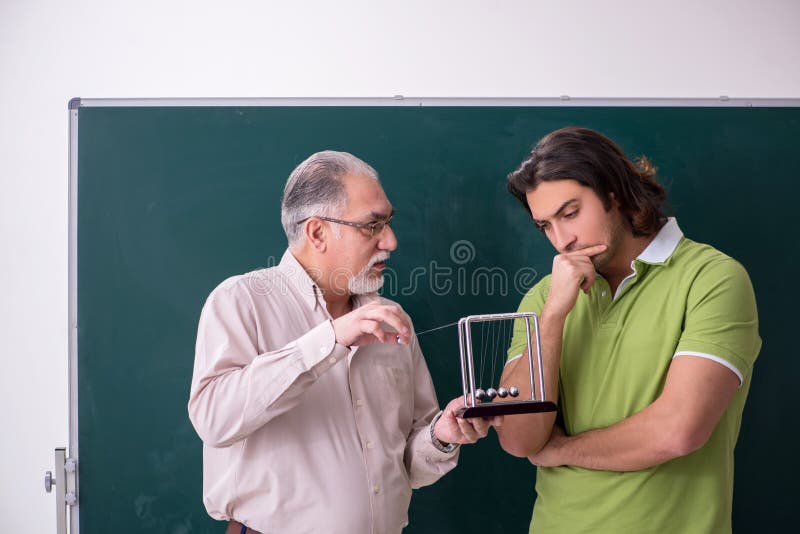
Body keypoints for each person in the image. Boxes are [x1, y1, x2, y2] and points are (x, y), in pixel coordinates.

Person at [188, 150, 500, 534]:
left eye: (389, 222)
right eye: (372, 226)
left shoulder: (390, 316)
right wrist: (330, 340)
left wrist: (441, 437)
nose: (392, 241)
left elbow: (404, 466)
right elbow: (215, 420)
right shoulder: (242, 300)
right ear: (317, 232)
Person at [496, 127, 760, 533]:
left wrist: (564, 449)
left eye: (570, 213)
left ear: (613, 192)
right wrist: (552, 319)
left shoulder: (713, 279)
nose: (562, 240)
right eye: (544, 226)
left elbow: (678, 430)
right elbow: (518, 439)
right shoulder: (544, 298)